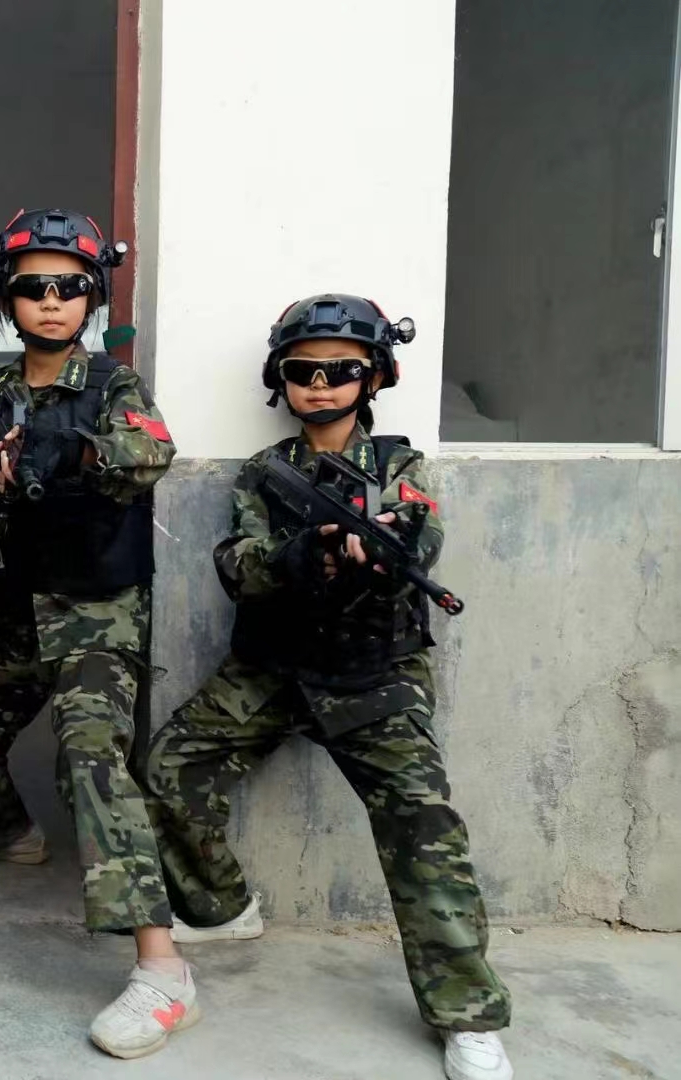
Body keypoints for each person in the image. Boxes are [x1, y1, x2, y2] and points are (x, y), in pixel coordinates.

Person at [143, 294, 512, 1080]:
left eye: (341, 370)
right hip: (274, 665)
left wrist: (380, 553)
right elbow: (238, 563)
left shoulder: (400, 468)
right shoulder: (265, 471)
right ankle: (219, 907)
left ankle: (468, 1015)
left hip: (371, 670)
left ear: (373, 377)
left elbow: (421, 535)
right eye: (302, 371)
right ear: (280, 379)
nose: (320, 385)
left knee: (421, 821)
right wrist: (296, 557)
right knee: (169, 766)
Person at [0, 208, 196, 1060]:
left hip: (98, 606)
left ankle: (162, 968)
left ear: (91, 297)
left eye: (69, 286)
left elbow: (152, 452)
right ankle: (9, 835)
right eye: (33, 287)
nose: (51, 301)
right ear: (7, 300)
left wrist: (76, 453)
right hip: (21, 601)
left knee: (91, 757)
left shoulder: (113, 386)